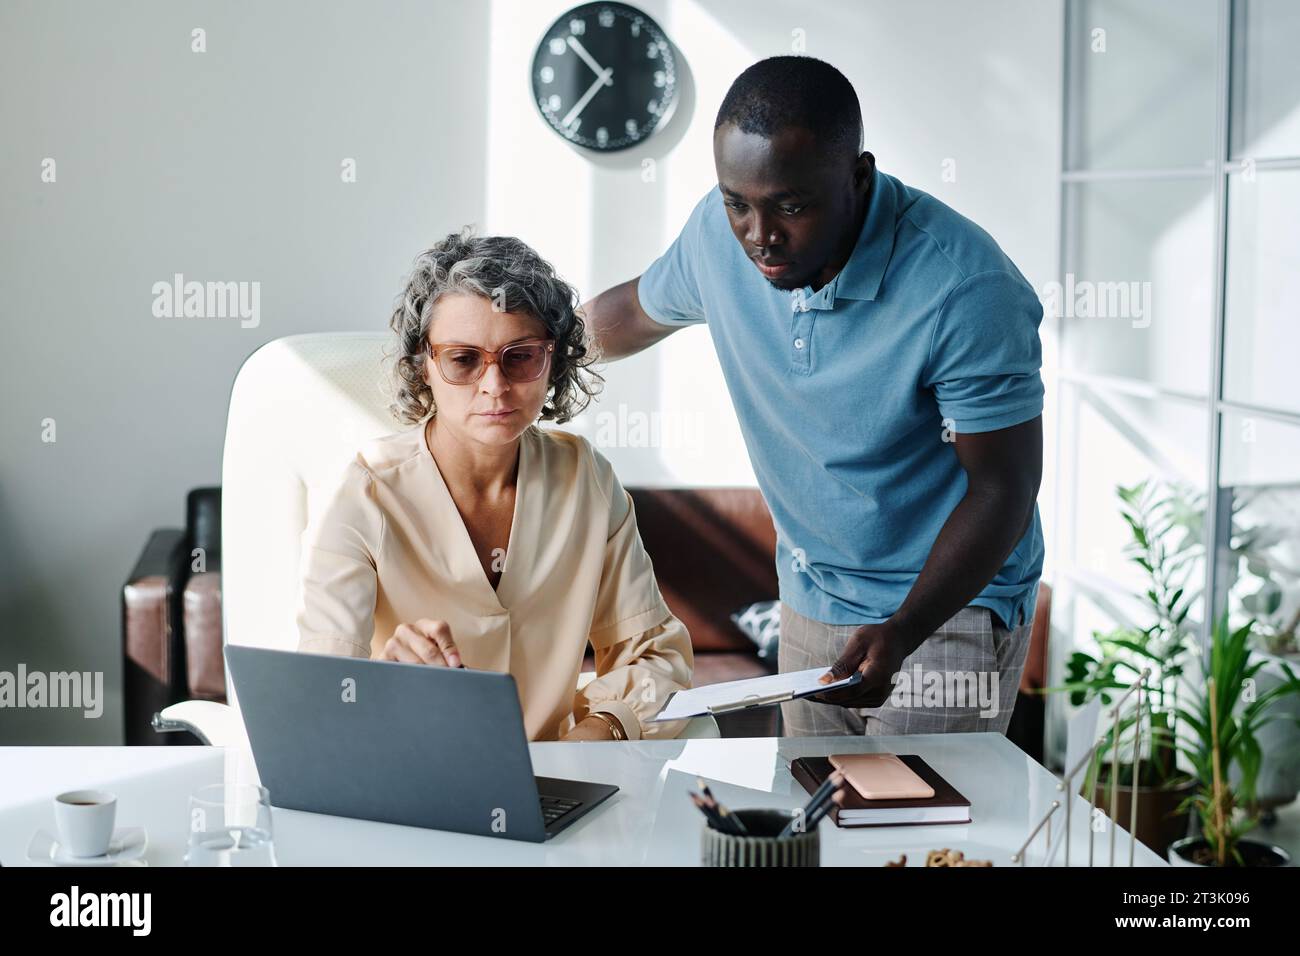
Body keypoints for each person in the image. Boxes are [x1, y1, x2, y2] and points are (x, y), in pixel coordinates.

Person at [582, 56, 1044, 737]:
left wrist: (904, 628)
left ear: (858, 178)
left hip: (947, 612)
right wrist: (507, 348)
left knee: (912, 839)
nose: (759, 236)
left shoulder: (965, 287)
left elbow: (1002, 491)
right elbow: (628, 314)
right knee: (816, 830)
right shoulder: (719, 234)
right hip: (811, 601)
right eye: (738, 202)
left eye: (790, 207)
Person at [296, 232, 693, 741]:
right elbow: (321, 698)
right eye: (463, 360)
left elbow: (656, 655)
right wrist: (385, 681)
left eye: (520, 356)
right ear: (425, 366)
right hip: (413, 778)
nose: (495, 387)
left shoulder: (585, 477)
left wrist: (603, 730)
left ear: (554, 360)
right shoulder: (361, 495)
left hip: (560, 784)